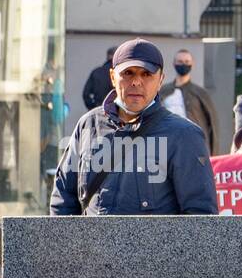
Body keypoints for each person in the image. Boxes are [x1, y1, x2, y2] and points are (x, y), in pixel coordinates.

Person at [50, 38, 217, 215]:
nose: (137, 82)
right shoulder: (88, 125)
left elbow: (201, 219)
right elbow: (63, 200)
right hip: (90, 243)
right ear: (113, 77)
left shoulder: (184, 135)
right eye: (128, 73)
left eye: (146, 74)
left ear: (160, 79)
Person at [158, 49, 219, 153]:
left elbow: (212, 124)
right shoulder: (162, 91)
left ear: (192, 64)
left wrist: (213, 154)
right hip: (168, 144)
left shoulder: (200, 93)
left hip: (194, 144)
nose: (183, 64)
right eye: (180, 62)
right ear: (174, 63)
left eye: (187, 62)